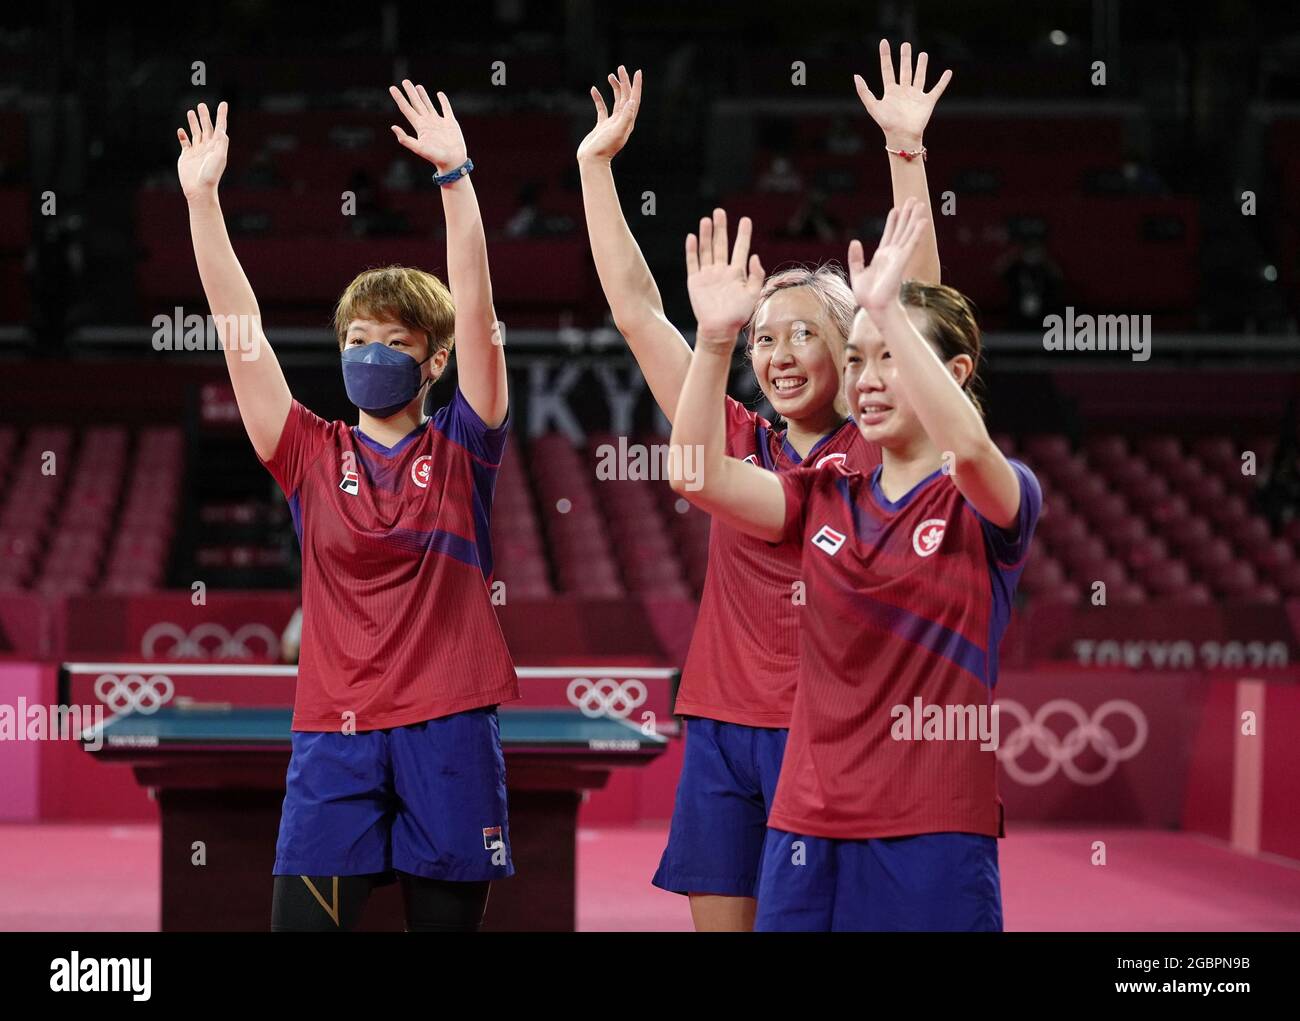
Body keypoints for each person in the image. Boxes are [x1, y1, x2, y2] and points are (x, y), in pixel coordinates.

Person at [577, 41, 951, 931]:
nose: (778, 357)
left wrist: (907, 156)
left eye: (802, 337)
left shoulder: (880, 445)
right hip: (719, 726)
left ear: (852, 348)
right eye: (764, 340)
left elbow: (924, 312)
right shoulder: (734, 437)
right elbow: (635, 310)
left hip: (827, 732)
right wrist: (595, 169)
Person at [176, 82, 517, 932]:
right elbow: (239, 326)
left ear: (433, 361)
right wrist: (203, 203)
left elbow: (475, 311)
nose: (370, 354)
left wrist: (456, 179)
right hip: (335, 737)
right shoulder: (308, 454)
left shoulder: (465, 448)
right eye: (357, 339)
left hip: (449, 734)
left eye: (395, 341)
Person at [668, 197, 1041, 931]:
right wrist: (714, 342)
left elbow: (966, 450)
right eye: (856, 359)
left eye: (889, 357)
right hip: (807, 820)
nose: (866, 378)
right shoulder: (822, 497)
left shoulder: (995, 500)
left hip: (932, 820)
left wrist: (888, 309)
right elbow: (694, 474)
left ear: (954, 372)